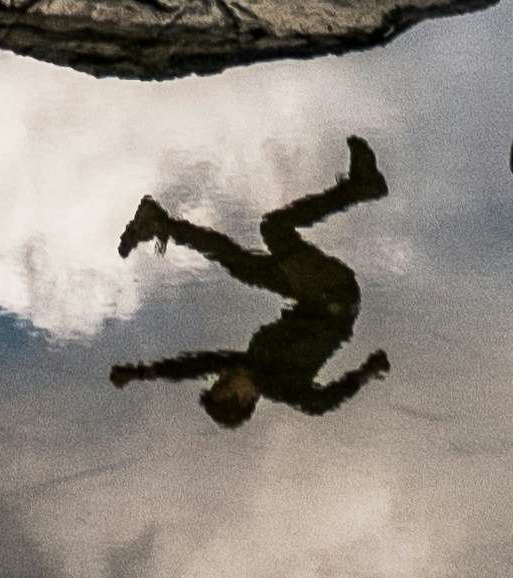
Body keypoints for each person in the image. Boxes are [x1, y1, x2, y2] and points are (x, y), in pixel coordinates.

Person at [109, 132, 390, 426]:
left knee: (240, 264)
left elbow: (195, 365)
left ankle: (162, 225)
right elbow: (322, 403)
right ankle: (359, 188)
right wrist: (366, 373)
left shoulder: (247, 367)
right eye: (224, 385)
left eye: (220, 381)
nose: (224, 375)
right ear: (244, 398)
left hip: (313, 297)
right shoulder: (281, 386)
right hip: (333, 295)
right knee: (274, 230)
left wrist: (139, 373)